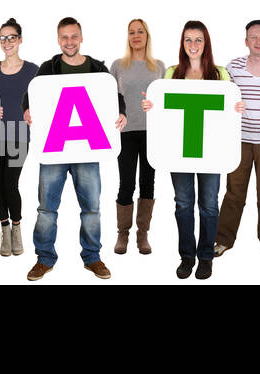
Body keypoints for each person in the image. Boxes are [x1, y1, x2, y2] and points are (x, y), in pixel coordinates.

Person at [21, 17, 127, 281]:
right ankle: (44, 259)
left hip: (87, 148)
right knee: (47, 208)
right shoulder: (49, 67)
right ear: (59, 40)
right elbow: (30, 95)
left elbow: (116, 97)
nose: (69, 42)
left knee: (91, 207)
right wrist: (27, 110)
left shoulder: (97, 68)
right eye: (64, 37)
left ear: (81, 38)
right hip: (55, 147)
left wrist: (121, 114)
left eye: (74, 36)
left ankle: (92, 257)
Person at [140, 21, 243, 279]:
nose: (193, 45)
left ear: (206, 43)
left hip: (213, 151)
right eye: (188, 40)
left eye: (198, 40)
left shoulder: (220, 74)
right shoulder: (172, 73)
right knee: (183, 204)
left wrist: (236, 109)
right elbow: (164, 112)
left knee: (209, 206)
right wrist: (151, 108)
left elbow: (227, 113)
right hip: (179, 151)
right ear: (182, 44)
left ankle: (206, 257)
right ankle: (187, 256)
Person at [215, 20, 260, 257]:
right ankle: (223, 239)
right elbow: (222, 100)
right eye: (253, 37)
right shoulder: (232, 67)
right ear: (246, 41)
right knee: (234, 191)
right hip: (239, 139)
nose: (258, 41)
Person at [109, 19, 163, 255]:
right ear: (127, 37)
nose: (136, 36)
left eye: (140, 32)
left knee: (147, 183)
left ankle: (143, 234)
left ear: (147, 35)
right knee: (126, 183)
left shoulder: (159, 66)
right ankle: (123, 233)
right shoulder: (118, 65)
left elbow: (166, 100)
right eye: (132, 32)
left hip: (153, 131)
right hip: (126, 132)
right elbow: (108, 97)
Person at [0, 18, 37, 257]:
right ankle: (4, 230)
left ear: (20, 40)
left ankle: (17, 228)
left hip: (18, 132)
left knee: (11, 183)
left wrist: (33, 114)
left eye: (11, 38)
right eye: (2, 38)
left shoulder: (32, 70)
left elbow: (42, 101)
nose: (7, 42)